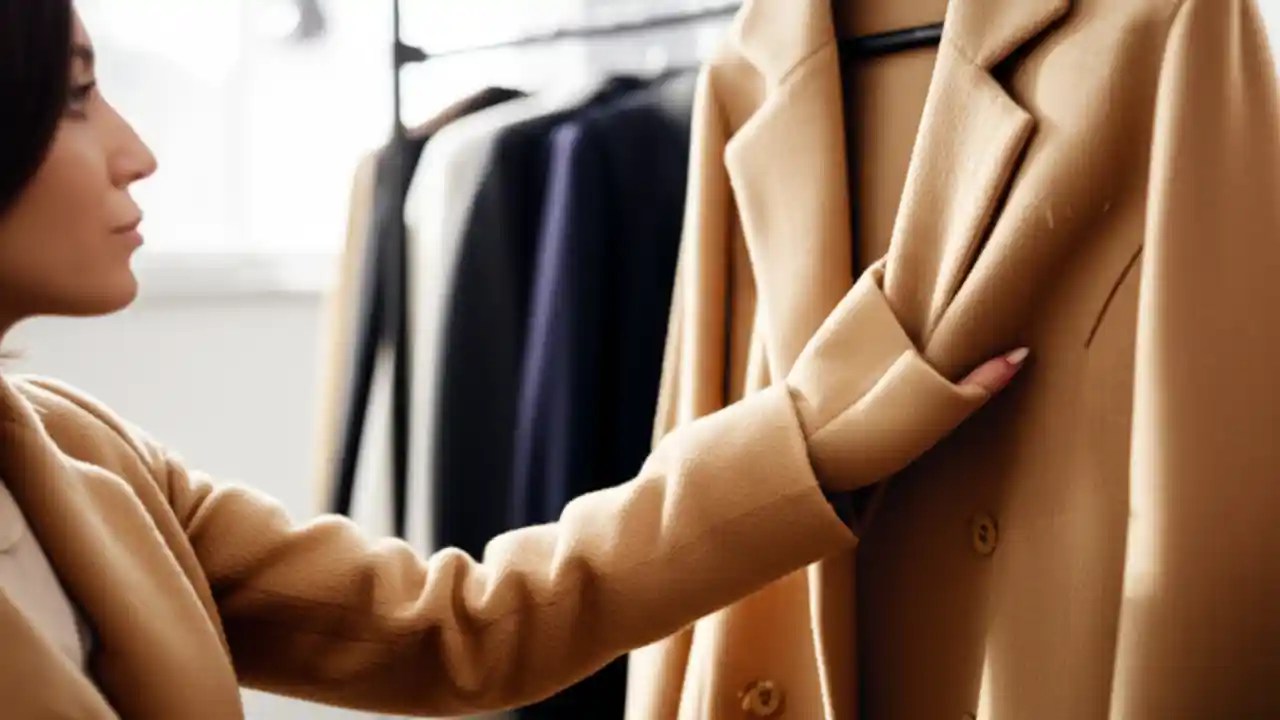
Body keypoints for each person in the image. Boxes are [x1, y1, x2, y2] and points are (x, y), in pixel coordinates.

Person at [0, 3, 1027, 718]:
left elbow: (458, 627)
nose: (136, 151)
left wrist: (803, 435)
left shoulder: (78, 451)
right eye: (76, 98)